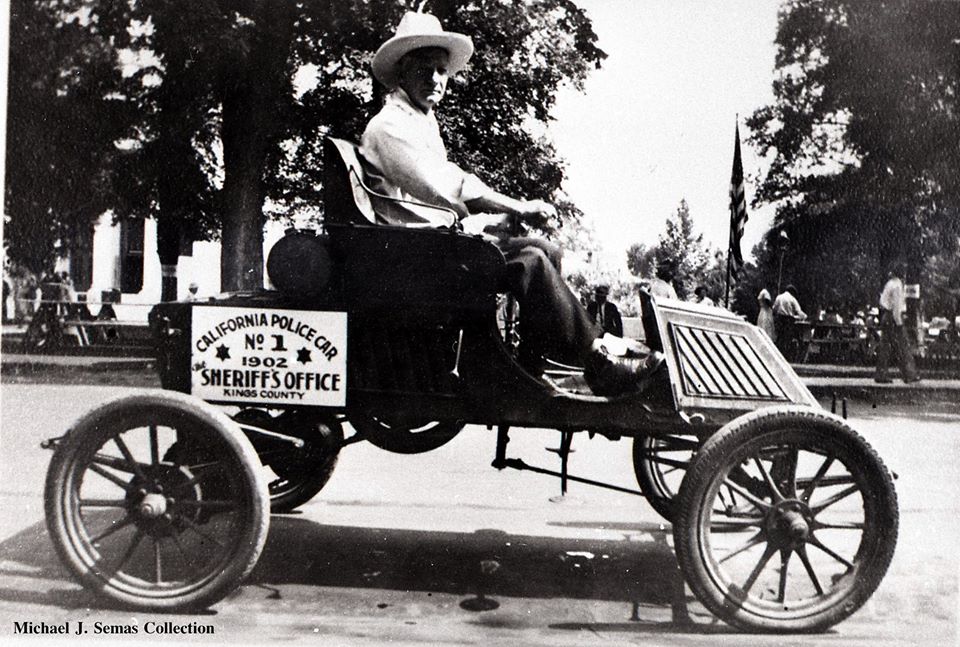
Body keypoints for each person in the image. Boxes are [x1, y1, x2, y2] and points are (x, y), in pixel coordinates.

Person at [360, 11, 660, 395]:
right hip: (412, 257)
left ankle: (532, 367)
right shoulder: (390, 126)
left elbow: (451, 187)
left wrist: (498, 216)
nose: (436, 79)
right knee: (530, 262)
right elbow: (445, 191)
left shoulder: (418, 119)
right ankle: (598, 361)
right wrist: (511, 209)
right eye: (424, 69)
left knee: (544, 248)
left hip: (429, 245)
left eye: (441, 70)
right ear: (402, 71)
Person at [875, 262, 919, 383]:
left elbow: (882, 300)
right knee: (903, 346)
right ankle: (909, 374)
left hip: (886, 315)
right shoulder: (898, 286)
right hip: (893, 318)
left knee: (885, 347)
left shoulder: (889, 283)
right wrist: (899, 323)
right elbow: (896, 307)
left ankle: (881, 373)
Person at [772, 284, 806, 359]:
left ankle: (777, 354)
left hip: (780, 319)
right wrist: (803, 316)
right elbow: (798, 311)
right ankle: (786, 355)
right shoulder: (792, 299)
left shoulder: (779, 297)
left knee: (780, 337)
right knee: (787, 338)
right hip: (788, 320)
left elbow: (774, 309)